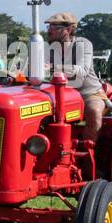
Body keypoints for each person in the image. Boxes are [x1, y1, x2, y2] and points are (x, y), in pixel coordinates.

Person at [46, 11, 106, 141]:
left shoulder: (82, 44)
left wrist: (53, 67)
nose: (49, 30)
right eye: (49, 26)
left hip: (88, 94)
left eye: (54, 27)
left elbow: (81, 71)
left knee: (94, 111)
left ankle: (88, 156)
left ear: (68, 29)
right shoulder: (48, 48)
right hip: (59, 96)